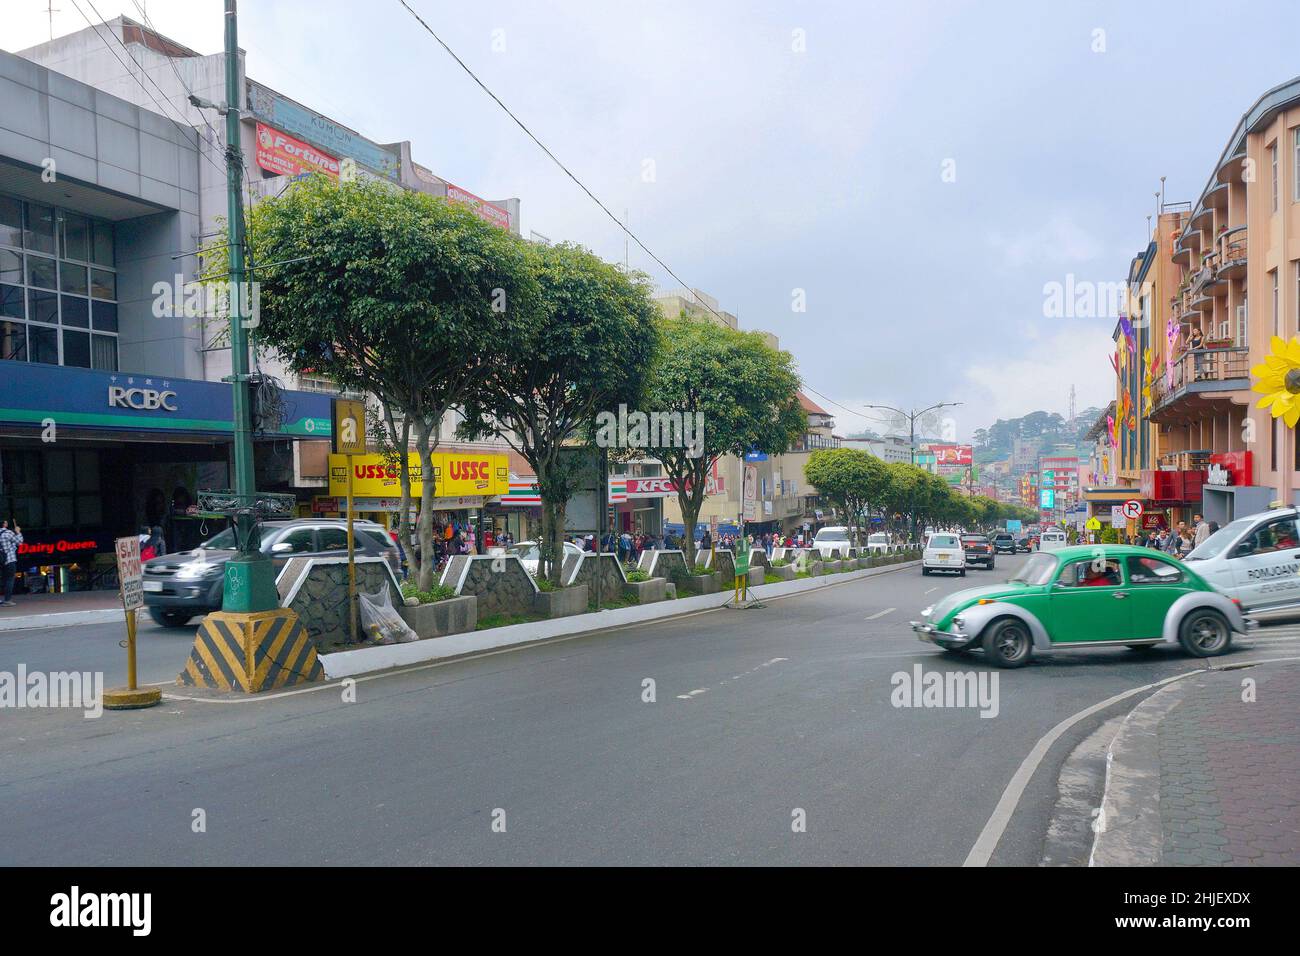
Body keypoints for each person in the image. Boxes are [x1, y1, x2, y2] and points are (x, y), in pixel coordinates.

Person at [0, 519, 21, 607]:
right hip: (9, 560)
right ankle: (7, 600)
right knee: (9, 579)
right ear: (4, 524)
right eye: (6, 522)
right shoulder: (8, 533)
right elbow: (19, 542)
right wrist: (18, 532)